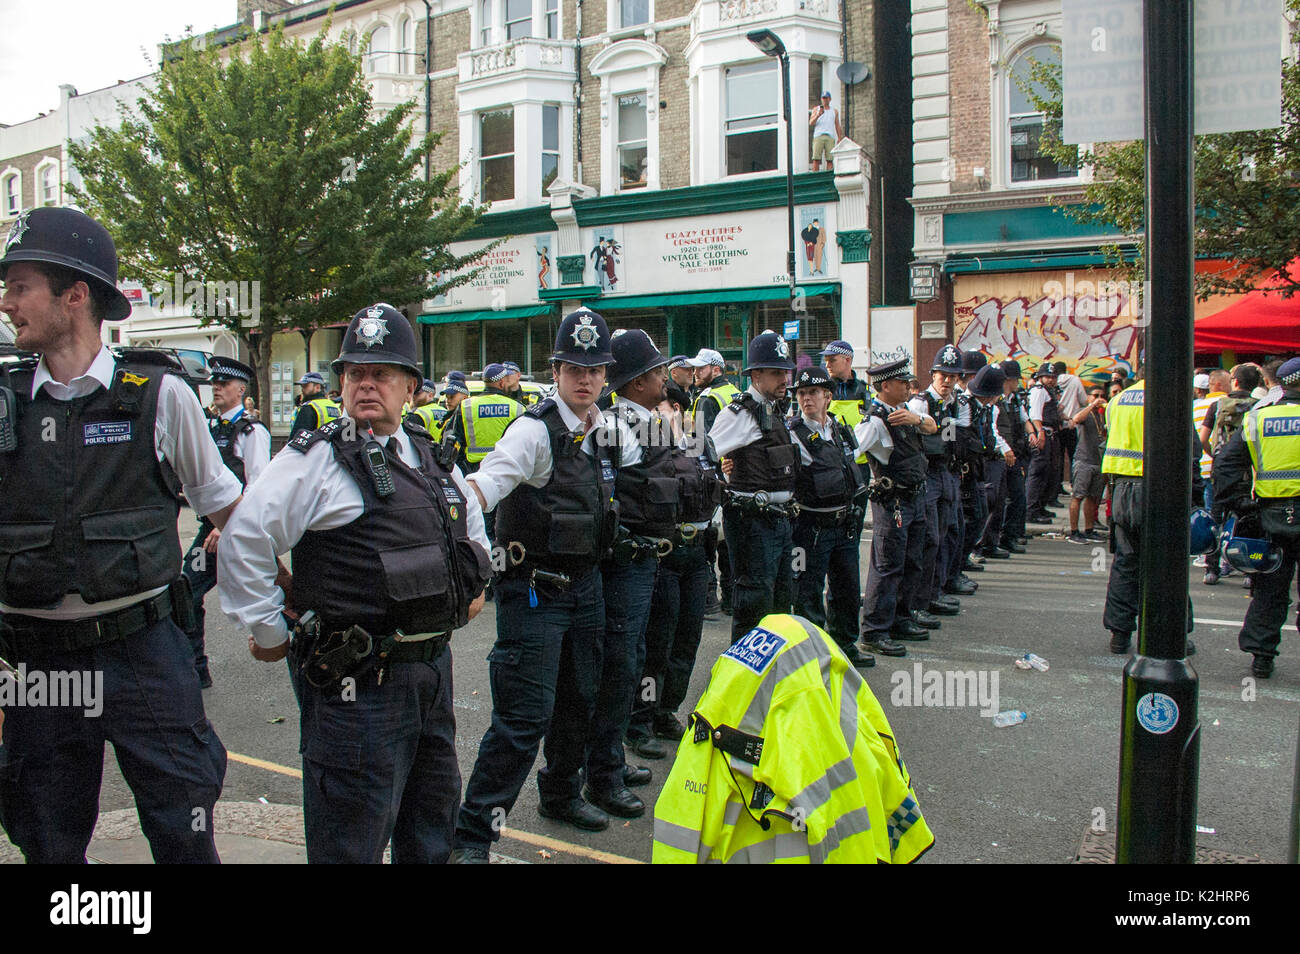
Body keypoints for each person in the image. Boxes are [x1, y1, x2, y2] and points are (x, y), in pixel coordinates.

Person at [0, 206, 239, 863]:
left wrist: (280, 603)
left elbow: (225, 507)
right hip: (37, 664)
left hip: (144, 651)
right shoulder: (3, 403)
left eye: (20, 286)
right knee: (46, 837)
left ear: (73, 296)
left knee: (184, 827)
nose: (7, 302)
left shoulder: (160, 396)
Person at [219, 304, 490, 863]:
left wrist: (471, 587)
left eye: (382, 374)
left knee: (431, 824)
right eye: (354, 374)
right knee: (351, 839)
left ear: (411, 387)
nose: (366, 385)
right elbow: (245, 535)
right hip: (358, 687)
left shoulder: (430, 456)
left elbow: (471, 533)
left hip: (431, 676)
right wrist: (269, 630)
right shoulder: (317, 459)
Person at [450, 308, 622, 862]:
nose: (585, 379)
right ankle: (473, 834)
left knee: (580, 699)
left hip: (587, 587)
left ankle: (562, 794)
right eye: (574, 367)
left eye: (595, 369)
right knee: (523, 719)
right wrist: (467, 554)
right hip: (535, 593)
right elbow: (483, 486)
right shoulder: (533, 430)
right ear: (555, 369)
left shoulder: (603, 429)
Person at [585, 330, 676, 815]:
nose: (665, 376)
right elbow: (612, 493)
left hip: (646, 559)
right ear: (637, 381)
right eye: (657, 370)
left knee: (633, 656)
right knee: (618, 667)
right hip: (625, 563)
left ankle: (611, 759)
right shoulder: (617, 426)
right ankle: (600, 774)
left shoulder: (649, 421)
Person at [182, 356, 271, 689]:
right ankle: (195, 668)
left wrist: (225, 523)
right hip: (212, 529)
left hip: (234, 529)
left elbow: (258, 485)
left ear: (241, 389)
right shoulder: (212, 426)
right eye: (214, 383)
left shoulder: (251, 430)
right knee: (185, 590)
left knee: (269, 593)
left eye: (223, 384)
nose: (216, 388)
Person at [1211, 356, 1300, 678]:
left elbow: (1225, 463)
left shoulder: (1257, 418)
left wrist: (1236, 502)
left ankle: (1261, 655)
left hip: (1272, 515)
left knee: (1270, 587)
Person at [708, 331, 798, 644]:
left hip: (779, 520)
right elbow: (703, 456)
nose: (784, 379)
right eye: (776, 373)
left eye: (785, 372)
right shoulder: (740, 414)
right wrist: (723, 473)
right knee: (753, 605)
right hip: (753, 521)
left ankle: (771, 675)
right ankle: (744, 680)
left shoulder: (776, 411)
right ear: (756, 375)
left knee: (779, 604)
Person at [1101, 373, 1195, 656]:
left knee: (1126, 563)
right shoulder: (1169, 399)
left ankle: (1120, 634)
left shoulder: (1116, 401)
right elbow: (1192, 449)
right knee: (1167, 565)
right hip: (1159, 491)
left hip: (1122, 491)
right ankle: (1173, 635)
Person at [786, 366, 874, 668]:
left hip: (844, 524)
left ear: (827, 396)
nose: (806, 399)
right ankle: (814, 655)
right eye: (801, 393)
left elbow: (854, 465)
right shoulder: (792, 433)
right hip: (811, 527)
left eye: (813, 393)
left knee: (848, 589)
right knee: (808, 592)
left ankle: (845, 645)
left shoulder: (838, 429)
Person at [857, 358, 937, 657]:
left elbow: (932, 426)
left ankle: (901, 619)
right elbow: (852, 450)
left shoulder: (906, 412)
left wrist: (915, 420)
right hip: (894, 502)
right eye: (902, 383)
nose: (908, 386)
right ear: (886, 386)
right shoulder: (875, 421)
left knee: (913, 559)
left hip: (915, 497)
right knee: (888, 565)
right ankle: (875, 631)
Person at [918, 345, 972, 614]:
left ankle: (937, 590)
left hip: (948, 473)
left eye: (953, 376)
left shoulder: (956, 404)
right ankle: (924, 597)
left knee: (949, 532)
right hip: (929, 474)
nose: (948, 381)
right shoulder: (921, 402)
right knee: (930, 538)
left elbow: (958, 436)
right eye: (943, 376)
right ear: (933, 374)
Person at [1201, 364, 1263, 585]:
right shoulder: (1260, 406)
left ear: (1234, 381)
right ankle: (1249, 571)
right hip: (1249, 471)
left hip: (1220, 470)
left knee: (1216, 518)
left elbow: (1203, 438)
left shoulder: (1218, 405)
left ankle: (1212, 568)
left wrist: (1217, 456)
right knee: (1249, 519)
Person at [689, 348, 739, 614]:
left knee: (707, 539)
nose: (696, 373)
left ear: (716, 369)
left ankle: (709, 601)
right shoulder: (734, 392)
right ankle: (732, 600)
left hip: (714, 476)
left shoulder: (707, 398)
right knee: (728, 542)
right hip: (735, 475)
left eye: (701, 368)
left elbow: (700, 442)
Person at [1066, 388, 1107, 544]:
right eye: (1095, 395)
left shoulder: (1103, 415)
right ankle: (1074, 531)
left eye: (1102, 396)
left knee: (1092, 498)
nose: (1099, 398)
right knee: (1078, 496)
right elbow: (1076, 419)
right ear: (1089, 397)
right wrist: (1092, 405)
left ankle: (1089, 529)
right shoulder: (1086, 411)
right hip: (1083, 460)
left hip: (1098, 461)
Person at [1025, 364, 1062, 524]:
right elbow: (1035, 414)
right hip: (1043, 433)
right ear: (1040, 377)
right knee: (1038, 473)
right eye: (1047, 377)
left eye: (1053, 377)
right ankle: (1031, 510)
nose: (1051, 380)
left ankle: (1039, 506)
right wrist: (1040, 432)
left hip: (1049, 433)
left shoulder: (1049, 392)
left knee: (1048, 472)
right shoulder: (1039, 391)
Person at [290, 370, 340, 436]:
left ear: (317, 387)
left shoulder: (309, 407)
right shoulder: (334, 406)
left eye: (305, 386)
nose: (302, 390)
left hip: (314, 445)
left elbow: (296, 439)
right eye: (302, 386)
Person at [809, 91, 844, 172]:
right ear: (821, 99)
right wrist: (818, 115)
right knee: (816, 158)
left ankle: (828, 177)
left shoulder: (834, 111)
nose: (825, 100)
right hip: (819, 136)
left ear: (830, 99)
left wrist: (839, 137)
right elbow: (811, 123)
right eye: (823, 98)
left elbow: (837, 125)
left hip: (830, 136)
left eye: (826, 98)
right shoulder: (816, 109)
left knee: (830, 159)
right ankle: (816, 177)